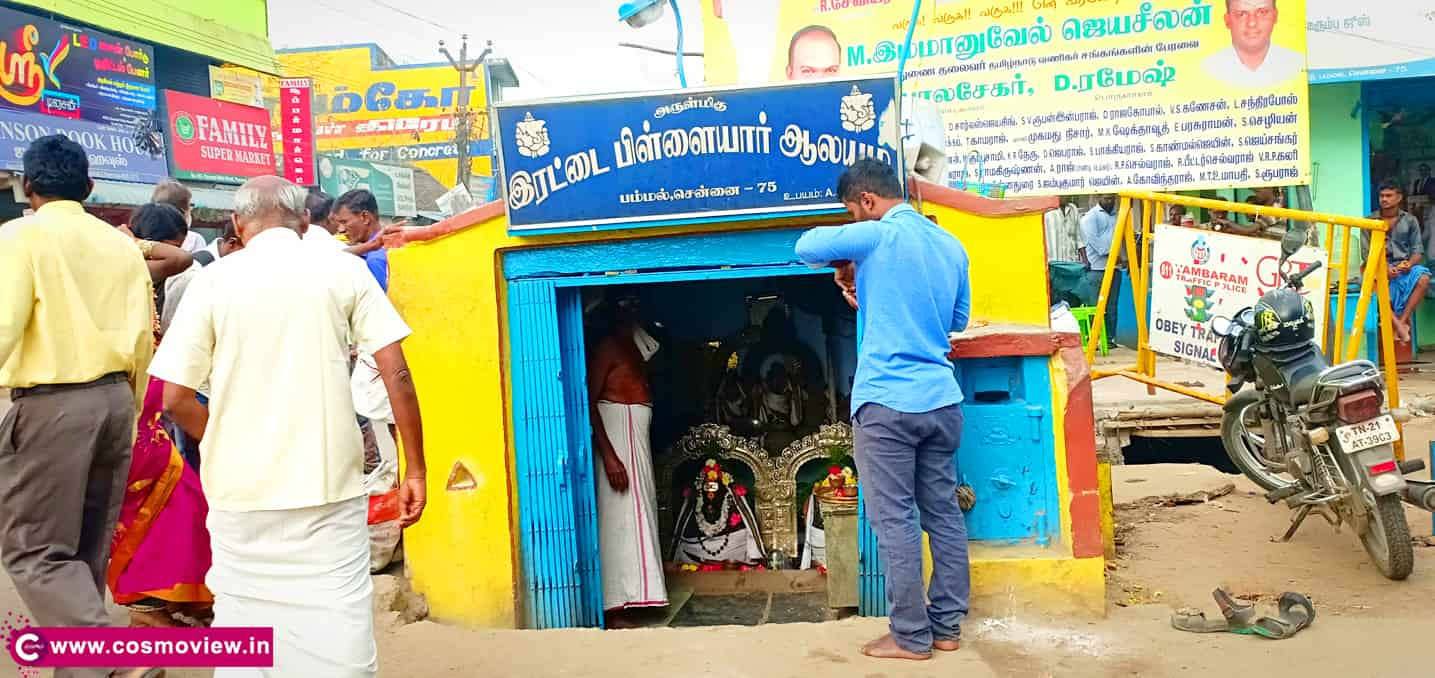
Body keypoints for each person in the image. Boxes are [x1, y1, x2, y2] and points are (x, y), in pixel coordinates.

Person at [150, 175, 426, 677]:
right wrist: (416, 472)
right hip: (328, 490)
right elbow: (397, 372)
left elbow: (175, 398)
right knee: (338, 625)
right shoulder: (341, 270)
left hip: (239, 495)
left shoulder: (213, 281)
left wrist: (228, 441)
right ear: (303, 222)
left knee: (244, 623)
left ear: (237, 223)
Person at [794, 158, 970, 661]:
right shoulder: (950, 245)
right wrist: (866, 292)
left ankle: (911, 637)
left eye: (852, 211)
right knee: (943, 516)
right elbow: (954, 319)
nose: (853, 221)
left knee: (895, 521)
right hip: (941, 401)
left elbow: (806, 246)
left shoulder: (876, 235)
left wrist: (853, 249)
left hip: (887, 404)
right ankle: (946, 628)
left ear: (868, 202)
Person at [0, 135, 157, 678]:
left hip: (52, 404)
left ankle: (114, 656)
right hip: (115, 399)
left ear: (27, 186)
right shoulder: (123, 245)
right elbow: (142, 336)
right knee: (85, 551)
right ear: (90, 187)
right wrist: (130, 409)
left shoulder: (19, 237)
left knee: (34, 551)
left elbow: (1, 327)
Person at [109, 202, 215, 630]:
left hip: (146, 400)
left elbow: (179, 257)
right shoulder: (109, 275)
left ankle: (178, 596)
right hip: (130, 401)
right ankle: (149, 605)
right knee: (161, 501)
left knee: (183, 500)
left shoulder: (136, 271)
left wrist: (130, 245)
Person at [587, 293, 668, 626]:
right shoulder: (607, 346)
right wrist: (610, 456)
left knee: (638, 514)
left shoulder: (635, 346)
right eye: (625, 305)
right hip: (618, 440)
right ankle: (613, 603)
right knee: (618, 519)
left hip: (635, 439)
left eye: (636, 304)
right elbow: (589, 403)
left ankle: (637, 595)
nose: (632, 310)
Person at [1362, 181, 1431, 343]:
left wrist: (1409, 264)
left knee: (1424, 278)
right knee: (1370, 283)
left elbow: (1418, 250)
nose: (1384, 199)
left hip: (1403, 268)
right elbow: (1366, 254)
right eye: (1381, 196)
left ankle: (1402, 320)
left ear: (1399, 198)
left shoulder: (1410, 220)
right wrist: (1384, 268)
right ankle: (1399, 326)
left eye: (1388, 196)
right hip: (1377, 266)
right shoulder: (1368, 221)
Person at [669, 459, 766, 568]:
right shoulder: (694, 506)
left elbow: (748, 534)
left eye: (714, 487)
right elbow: (682, 539)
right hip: (694, 555)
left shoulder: (733, 504)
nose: (710, 494)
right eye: (707, 487)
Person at [1201, 0, 1301, 88]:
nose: (1252, 23)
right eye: (1241, 14)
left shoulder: (1296, 64)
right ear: (1227, 20)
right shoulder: (1209, 69)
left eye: (1262, 12)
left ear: (1275, 16)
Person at [331, 189, 396, 291]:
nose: (341, 230)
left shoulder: (374, 260)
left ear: (365, 217)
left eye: (344, 222)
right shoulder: (393, 245)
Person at [1079, 195, 1121, 349]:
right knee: (1095, 306)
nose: (1110, 202)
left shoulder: (1117, 215)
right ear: (1099, 198)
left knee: (1112, 306)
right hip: (1096, 268)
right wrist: (1116, 255)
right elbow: (1098, 245)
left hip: (1114, 267)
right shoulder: (1090, 217)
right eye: (1106, 199)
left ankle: (1109, 339)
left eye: (1112, 199)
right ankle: (1093, 339)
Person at [152, 179, 208, 255]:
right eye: (190, 205)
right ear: (182, 211)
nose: (191, 209)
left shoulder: (141, 236)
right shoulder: (194, 240)